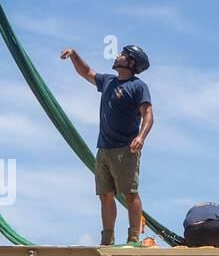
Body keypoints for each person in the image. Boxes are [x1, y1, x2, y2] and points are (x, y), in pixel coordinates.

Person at [60, 44, 153, 245]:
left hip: (125, 149)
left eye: (122, 54)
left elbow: (148, 114)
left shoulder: (138, 87)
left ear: (131, 62)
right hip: (104, 149)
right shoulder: (108, 81)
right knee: (106, 196)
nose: (117, 56)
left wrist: (141, 137)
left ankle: (133, 237)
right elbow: (86, 72)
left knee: (130, 194)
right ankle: (107, 239)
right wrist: (74, 54)